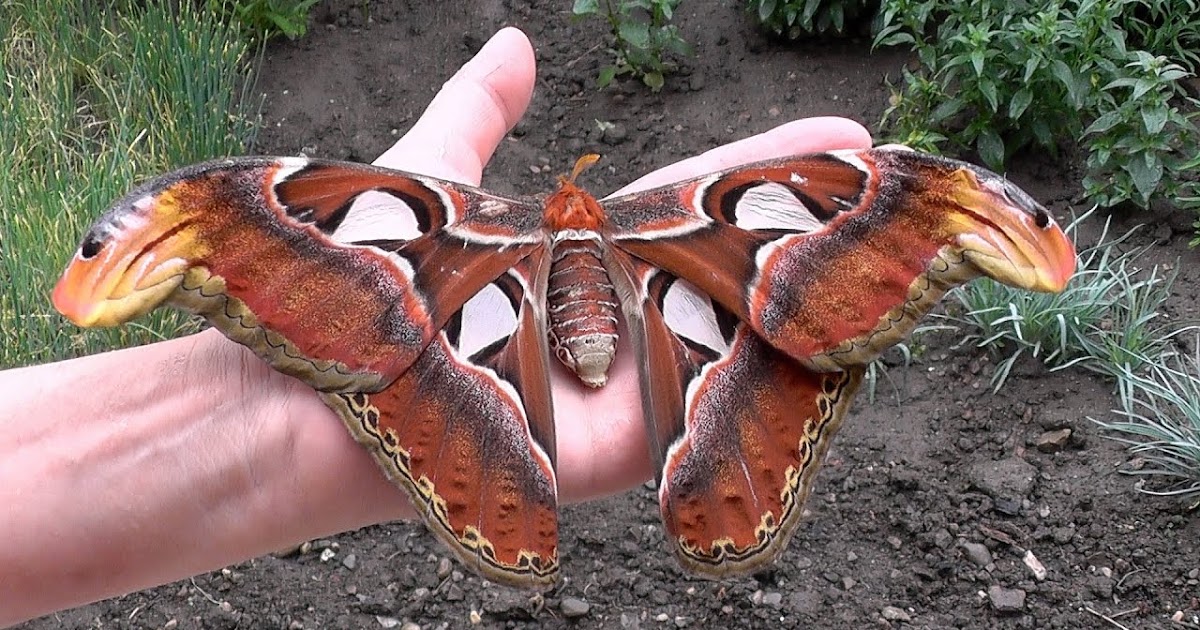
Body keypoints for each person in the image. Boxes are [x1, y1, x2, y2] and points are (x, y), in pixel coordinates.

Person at [0, 27, 872, 624]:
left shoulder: (462, 221)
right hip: (583, 299)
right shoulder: (663, 212)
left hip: (488, 299)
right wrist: (194, 229)